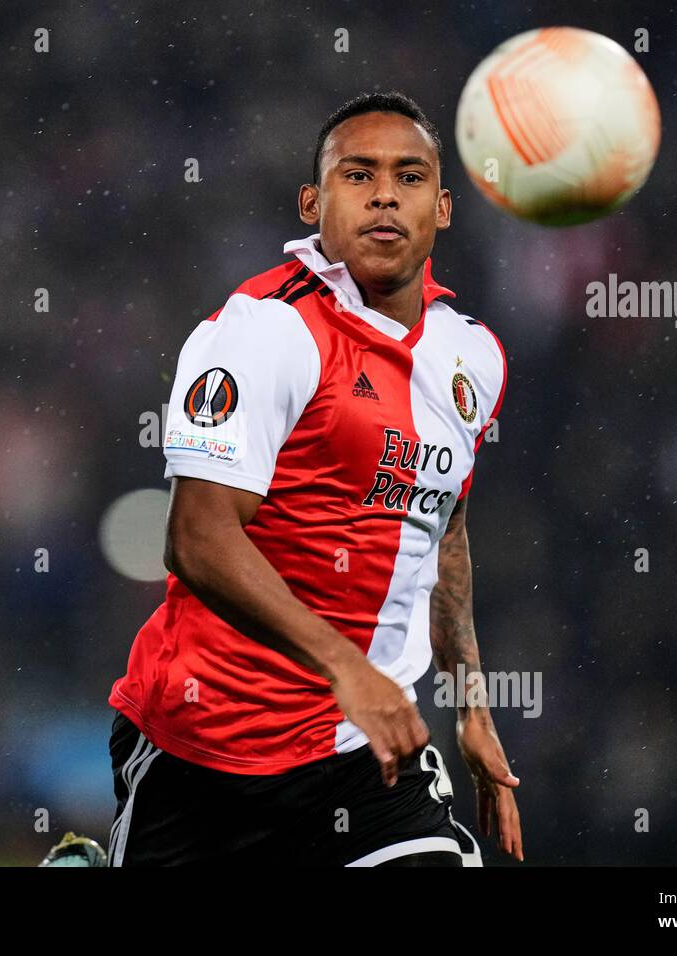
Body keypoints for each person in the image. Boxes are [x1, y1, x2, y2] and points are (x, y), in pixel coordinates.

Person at [107, 92, 523, 866]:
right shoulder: (263, 330)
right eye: (357, 175)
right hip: (207, 755)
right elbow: (196, 538)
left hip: (369, 762)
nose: (385, 195)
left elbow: (444, 530)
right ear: (313, 202)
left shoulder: (474, 357)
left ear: (443, 206)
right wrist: (346, 668)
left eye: (409, 176)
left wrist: (472, 704)